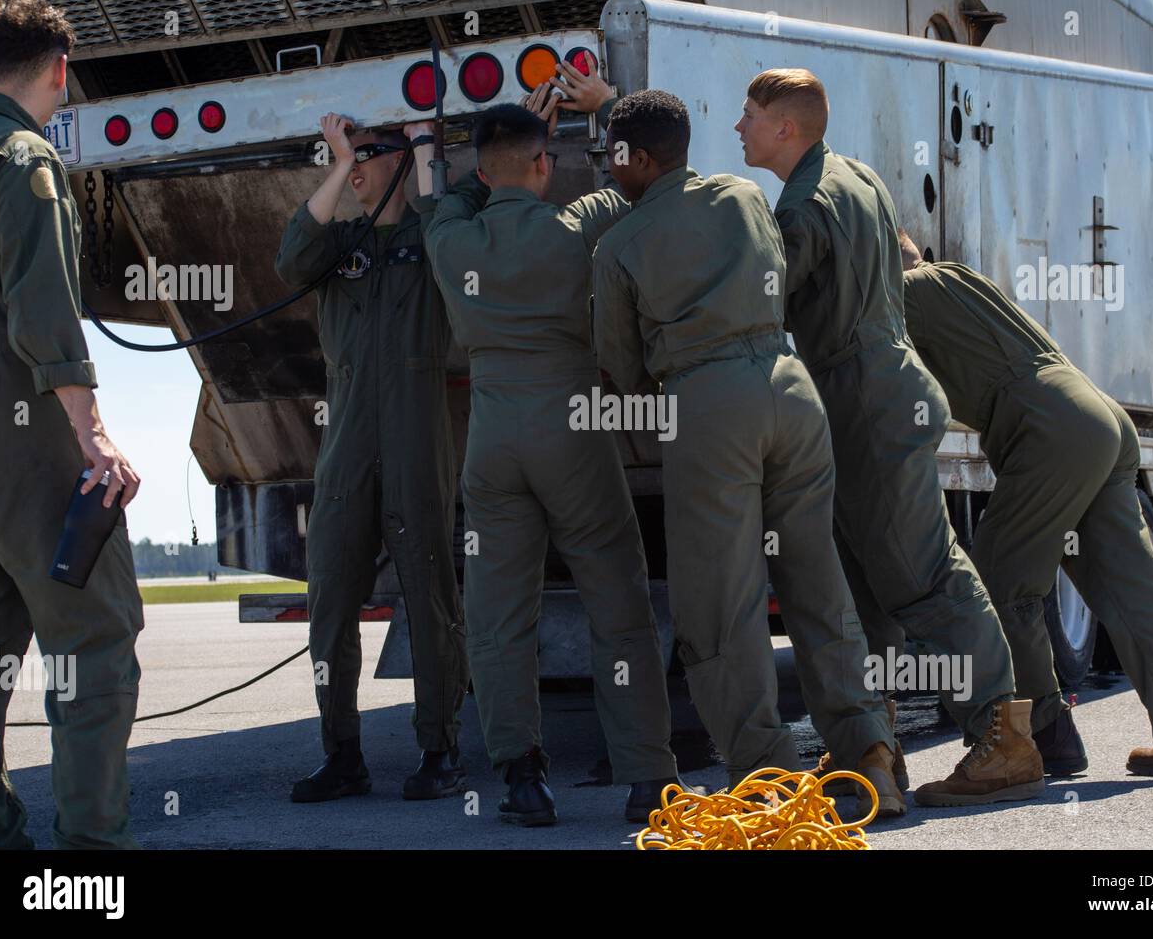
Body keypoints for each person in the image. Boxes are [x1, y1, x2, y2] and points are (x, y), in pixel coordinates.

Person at [736, 67, 1043, 806]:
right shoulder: (857, 175)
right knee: (861, 591)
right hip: (871, 395)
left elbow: (755, 302)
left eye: (748, 114)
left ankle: (1006, 741)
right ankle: (871, 754)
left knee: (920, 576)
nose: (737, 127)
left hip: (865, 401)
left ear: (785, 127)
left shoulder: (804, 206)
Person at [593, 89, 902, 817]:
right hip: (791, 391)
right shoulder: (742, 193)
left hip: (708, 405)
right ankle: (869, 757)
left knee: (722, 605)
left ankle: (770, 778)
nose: (609, 172)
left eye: (613, 157)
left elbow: (625, 367)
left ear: (637, 158)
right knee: (819, 584)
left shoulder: (619, 247)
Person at [423, 63, 688, 826]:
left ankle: (522, 779)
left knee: (499, 612)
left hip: (493, 437)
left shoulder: (449, 239)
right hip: (573, 428)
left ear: (481, 166)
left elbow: (459, 197)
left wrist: (499, 154)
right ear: (546, 166)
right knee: (617, 598)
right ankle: (644, 775)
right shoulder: (578, 230)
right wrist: (601, 116)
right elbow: (638, 182)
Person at [897, 231, 1153, 777]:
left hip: (1050, 428)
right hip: (1096, 415)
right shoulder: (958, 278)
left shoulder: (905, 294)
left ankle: (1045, 735)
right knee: (1134, 587)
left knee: (1004, 584)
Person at [0, 0, 143, 849]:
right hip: (24, 443)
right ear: (59, 71)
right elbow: (42, 313)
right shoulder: (22, 158)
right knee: (96, 639)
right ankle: (90, 861)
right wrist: (93, 432)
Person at [275, 108, 468, 803]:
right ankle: (342, 753)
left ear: (398, 159)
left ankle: (439, 746)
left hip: (417, 435)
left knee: (429, 595)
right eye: (346, 157)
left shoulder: (431, 232)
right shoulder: (338, 244)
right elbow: (291, 260)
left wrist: (422, 150)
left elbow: (454, 246)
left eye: (367, 155)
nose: (355, 168)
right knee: (328, 598)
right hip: (348, 441)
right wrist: (337, 164)